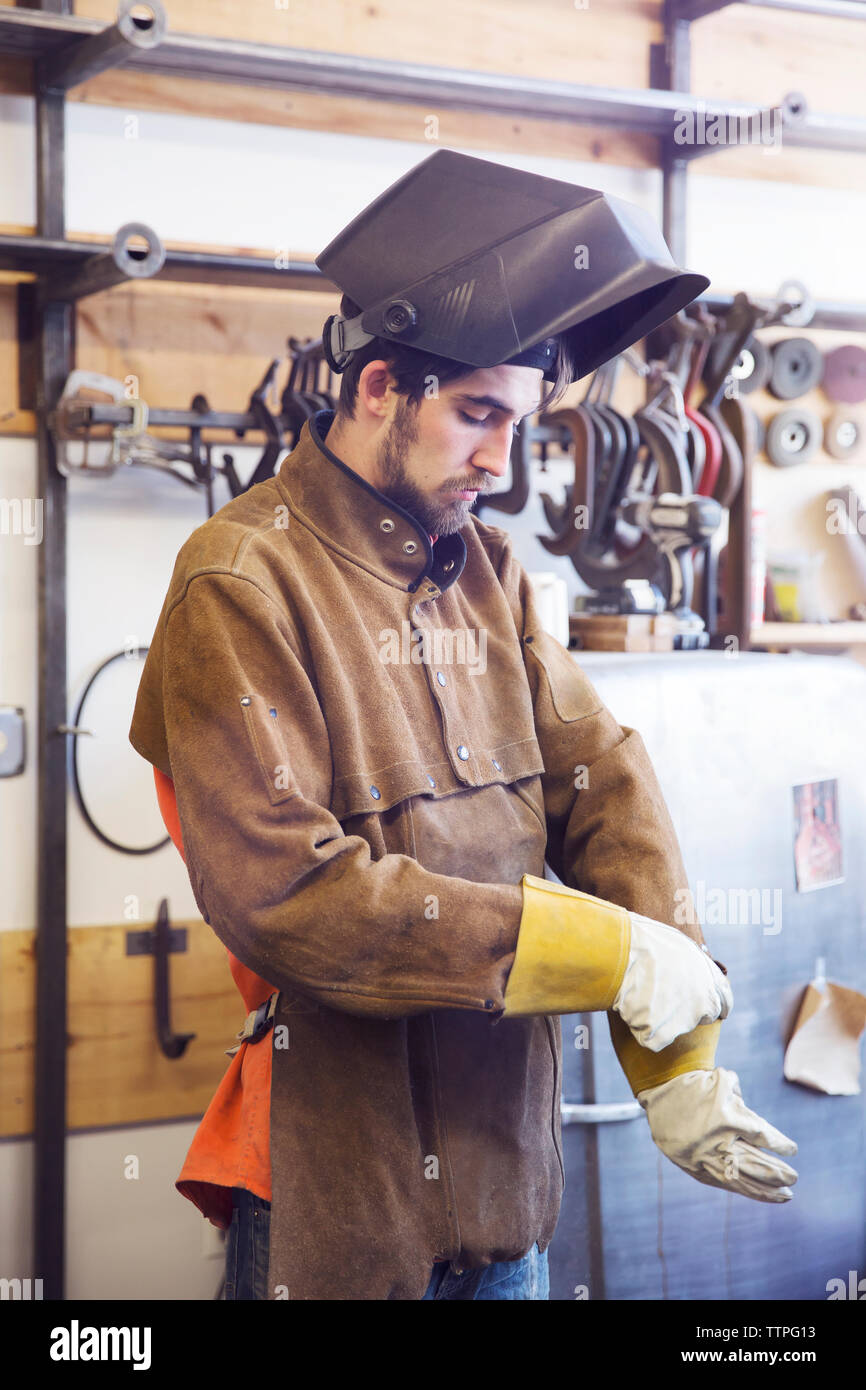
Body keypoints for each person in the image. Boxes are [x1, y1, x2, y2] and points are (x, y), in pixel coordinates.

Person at [130, 149, 797, 1302]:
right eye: (476, 414)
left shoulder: (487, 570)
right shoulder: (238, 581)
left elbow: (603, 781)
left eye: (521, 422)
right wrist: (600, 953)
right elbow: (289, 895)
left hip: (510, 1217)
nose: (501, 460)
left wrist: (674, 1053)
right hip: (340, 1222)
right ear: (377, 388)